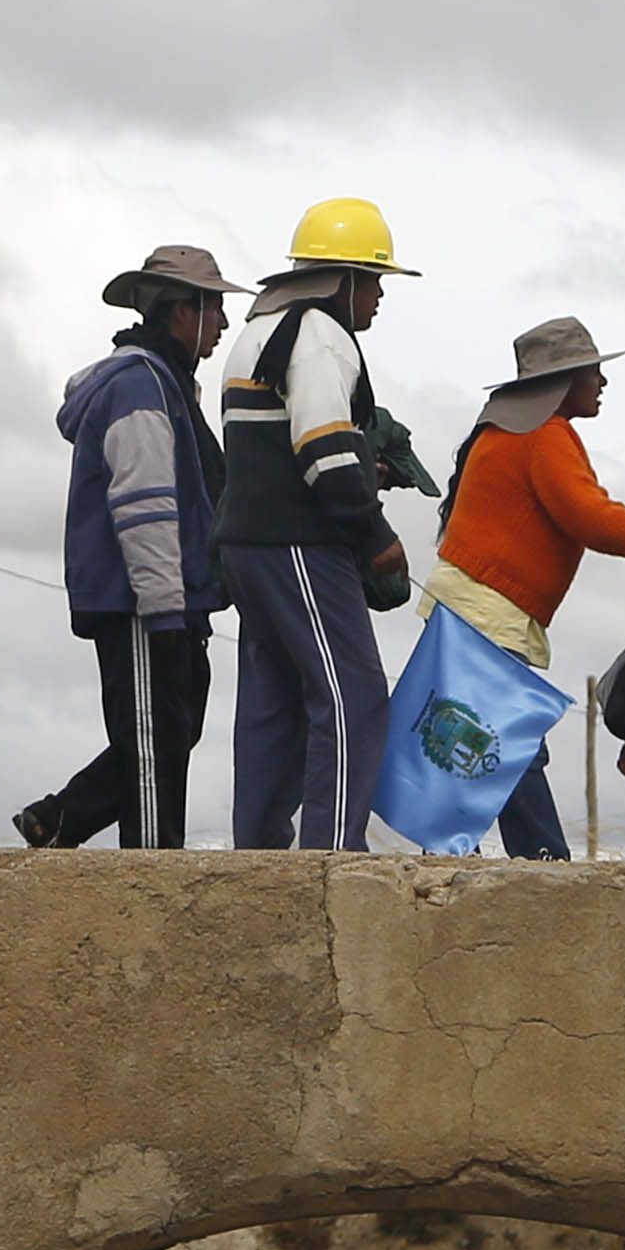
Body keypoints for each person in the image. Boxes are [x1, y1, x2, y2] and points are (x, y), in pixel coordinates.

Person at [426, 316, 625, 858]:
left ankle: (473, 854)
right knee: (507, 736)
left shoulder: (507, 432)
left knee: (477, 736)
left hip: (470, 599)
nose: (602, 383)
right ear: (564, 380)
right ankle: (543, 858)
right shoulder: (547, 435)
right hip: (487, 607)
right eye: (594, 372)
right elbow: (589, 517)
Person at [21, 244, 239, 850]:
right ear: (182, 312)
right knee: (153, 750)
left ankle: (60, 818)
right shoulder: (141, 387)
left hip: (166, 598)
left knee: (169, 732)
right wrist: (166, 610)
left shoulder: (162, 383)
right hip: (143, 604)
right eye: (214, 308)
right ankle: (152, 881)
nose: (222, 324)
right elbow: (145, 507)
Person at [218, 198, 420, 849]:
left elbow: (276, 443)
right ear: (345, 280)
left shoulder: (257, 331)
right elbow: (323, 451)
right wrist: (374, 534)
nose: (381, 296)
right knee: (351, 694)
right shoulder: (321, 337)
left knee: (272, 706)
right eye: (377, 280)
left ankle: (259, 856)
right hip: (300, 543)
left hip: (248, 544)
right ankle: (333, 854)